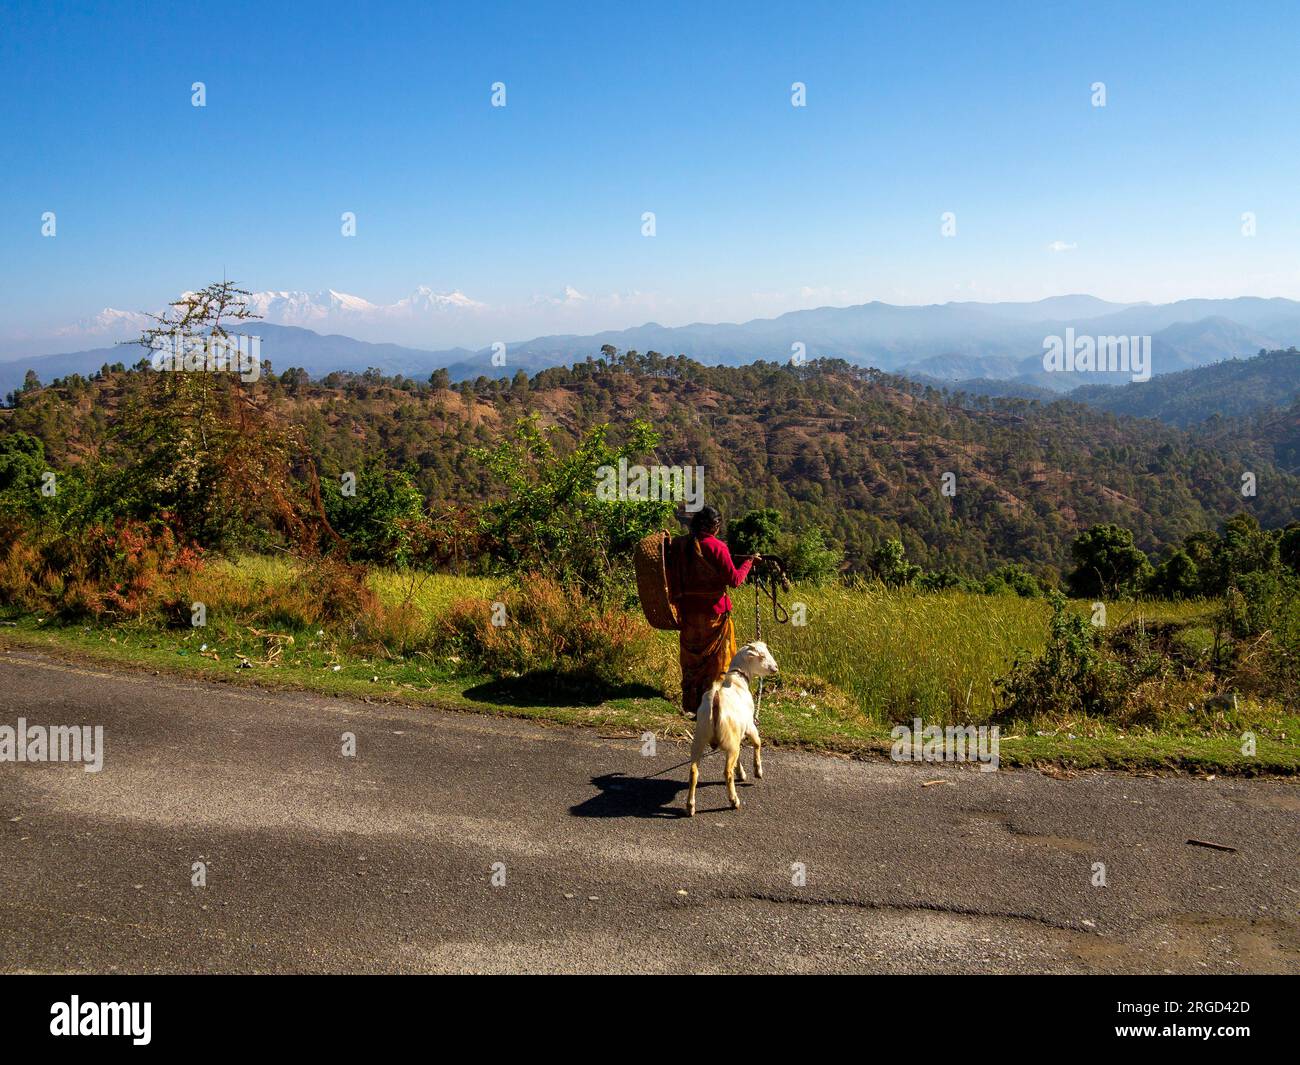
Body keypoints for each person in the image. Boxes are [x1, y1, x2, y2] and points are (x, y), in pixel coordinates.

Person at [671, 506, 757, 717]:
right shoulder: (718, 547)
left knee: (693, 661)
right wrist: (749, 562)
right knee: (717, 662)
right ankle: (714, 706)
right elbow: (735, 580)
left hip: (688, 614)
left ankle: (692, 704)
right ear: (715, 527)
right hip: (714, 614)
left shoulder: (680, 545)